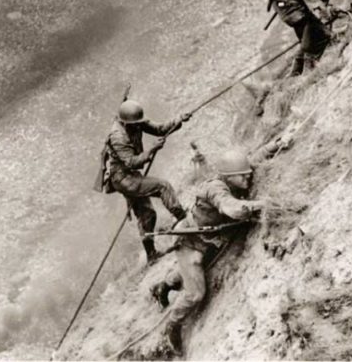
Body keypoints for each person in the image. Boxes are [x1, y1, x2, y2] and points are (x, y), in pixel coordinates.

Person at [148, 148, 266, 356]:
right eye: (243, 175)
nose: (248, 176)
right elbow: (233, 209)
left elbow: (253, 159)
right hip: (190, 243)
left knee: (193, 271)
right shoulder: (216, 190)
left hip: (207, 241)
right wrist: (260, 204)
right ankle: (171, 327)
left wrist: (277, 144)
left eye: (247, 173)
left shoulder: (234, 175)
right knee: (195, 293)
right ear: (229, 176)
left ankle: (162, 287)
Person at [106, 100, 191, 265]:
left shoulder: (135, 122)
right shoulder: (117, 136)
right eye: (135, 124)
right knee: (162, 186)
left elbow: (160, 129)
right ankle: (184, 220)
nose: (139, 126)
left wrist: (179, 119)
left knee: (147, 214)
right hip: (123, 179)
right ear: (125, 122)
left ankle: (151, 255)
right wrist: (152, 149)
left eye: (140, 122)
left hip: (131, 174)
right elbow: (132, 162)